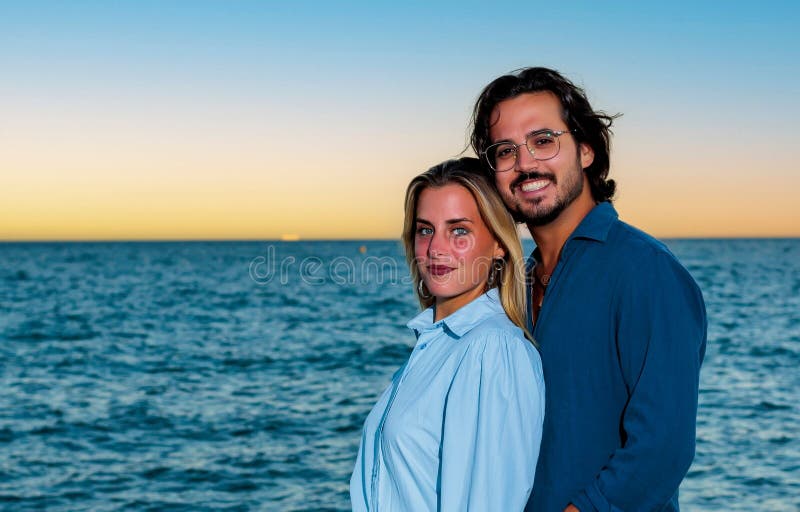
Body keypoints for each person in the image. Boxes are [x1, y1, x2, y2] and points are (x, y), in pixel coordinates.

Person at [469, 67, 707, 512]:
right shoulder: (511, 288)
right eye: (505, 150)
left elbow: (661, 450)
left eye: (543, 140)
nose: (525, 163)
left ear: (585, 150)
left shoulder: (646, 272)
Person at [350, 158, 545, 511]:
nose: (436, 248)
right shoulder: (440, 344)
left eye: (459, 231)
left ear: (499, 244)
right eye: (425, 230)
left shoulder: (493, 349)